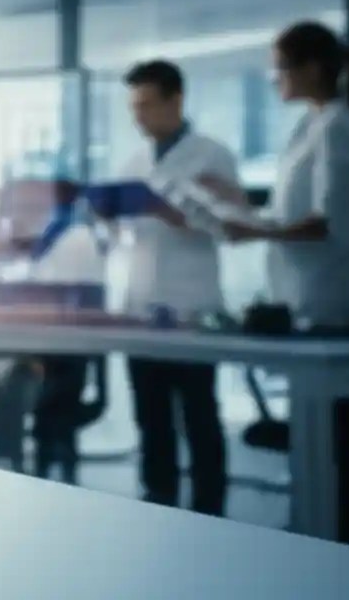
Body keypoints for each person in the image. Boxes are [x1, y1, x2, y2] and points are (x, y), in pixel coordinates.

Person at [206, 22, 349, 547]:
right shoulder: (316, 125)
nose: (273, 78)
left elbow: (327, 221)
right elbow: (296, 212)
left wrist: (252, 229)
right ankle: (317, 539)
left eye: (280, 67)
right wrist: (245, 210)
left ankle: (342, 551)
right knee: (319, 444)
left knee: (338, 448)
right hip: (305, 300)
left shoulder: (338, 127)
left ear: (310, 68)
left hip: (330, 305)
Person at [116, 60, 236, 516]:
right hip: (143, 307)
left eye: (146, 104)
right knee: (151, 420)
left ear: (176, 100)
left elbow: (230, 226)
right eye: (134, 106)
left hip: (191, 307)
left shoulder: (213, 156)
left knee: (199, 418)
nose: (138, 116)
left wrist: (171, 214)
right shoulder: (134, 161)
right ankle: (158, 506)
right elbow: (129, 232)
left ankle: (211, 511)